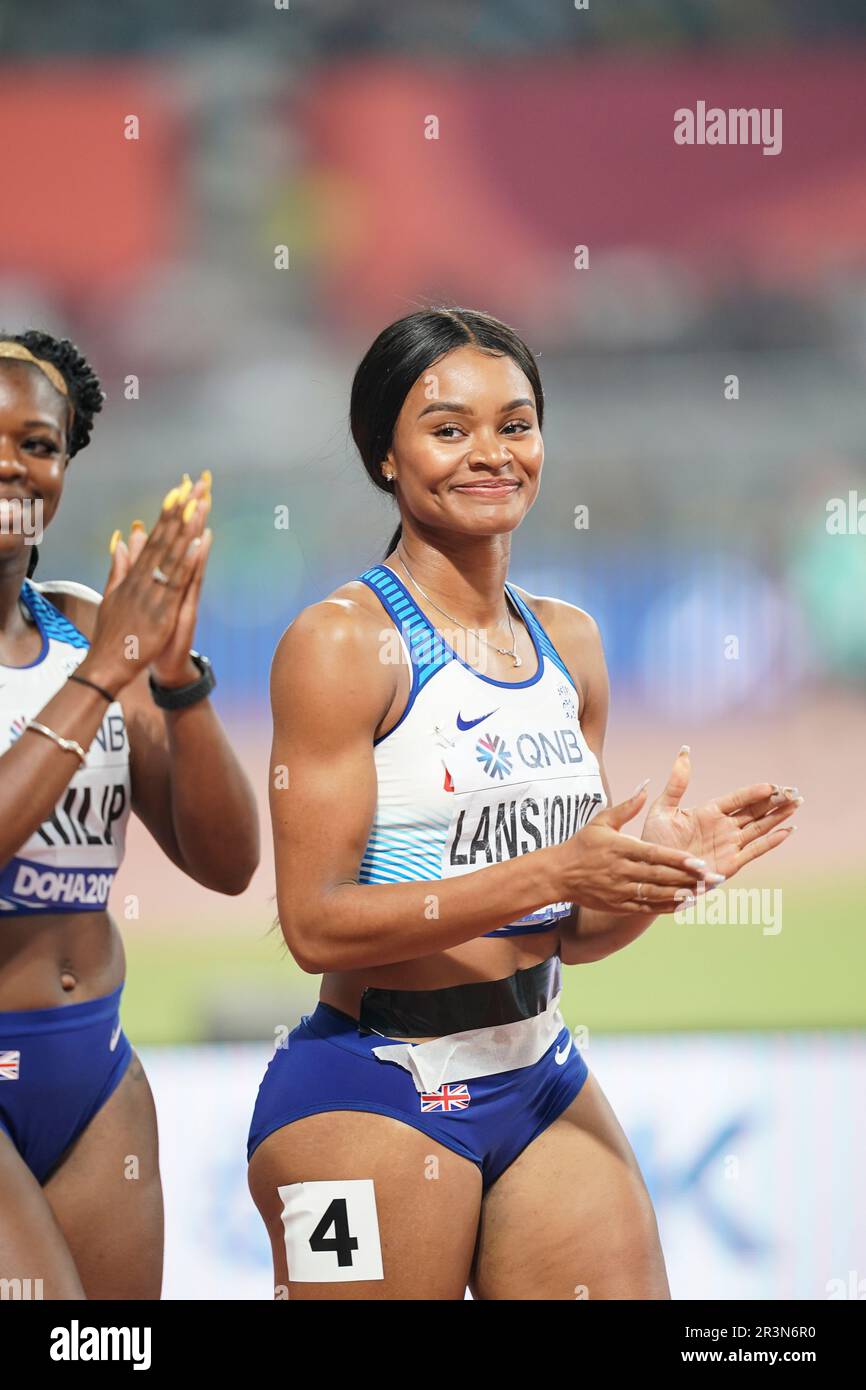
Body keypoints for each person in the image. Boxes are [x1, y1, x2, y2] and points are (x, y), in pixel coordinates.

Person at [248, 307, 801, 1300]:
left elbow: (568, 931)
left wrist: (646, 879)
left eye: (515, 423)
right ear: (383, 454)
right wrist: (551, 868)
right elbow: (314, 924)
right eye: (448, 428)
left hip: (540, 1067)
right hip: (378, 1081)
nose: (490, 453)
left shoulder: (569, 646)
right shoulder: (342, 644)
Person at [0, 331, 259, 1299]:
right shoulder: (96, 650)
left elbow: (227, 861)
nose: (13, 464)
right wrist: (108, 670)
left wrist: (173, 677)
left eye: (38, 442)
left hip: (93, 1071)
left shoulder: (80, 623)